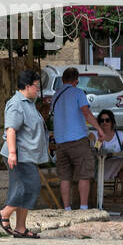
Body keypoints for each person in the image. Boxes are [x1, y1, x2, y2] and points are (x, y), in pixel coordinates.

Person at [0, 70, 48, 238]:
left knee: (23, 187)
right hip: (18, 154)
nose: (38, 89)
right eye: (36, 86)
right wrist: (12, 153)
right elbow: (11, 130)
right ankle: (4, 213)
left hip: (27, 154)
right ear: (27, 86)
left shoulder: (29, 102)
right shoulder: (16, 103)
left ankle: (21, 228)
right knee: (30, 186)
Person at [50, 67, 103, 211]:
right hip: (78, 139)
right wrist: (99, 129)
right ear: (76, 80)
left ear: (62, 79)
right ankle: (83, 208)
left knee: (65, 177)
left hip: (61, 142)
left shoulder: (56, 95)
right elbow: (86, 113)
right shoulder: (78, 93)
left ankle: (67, 209)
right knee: (84, 174)